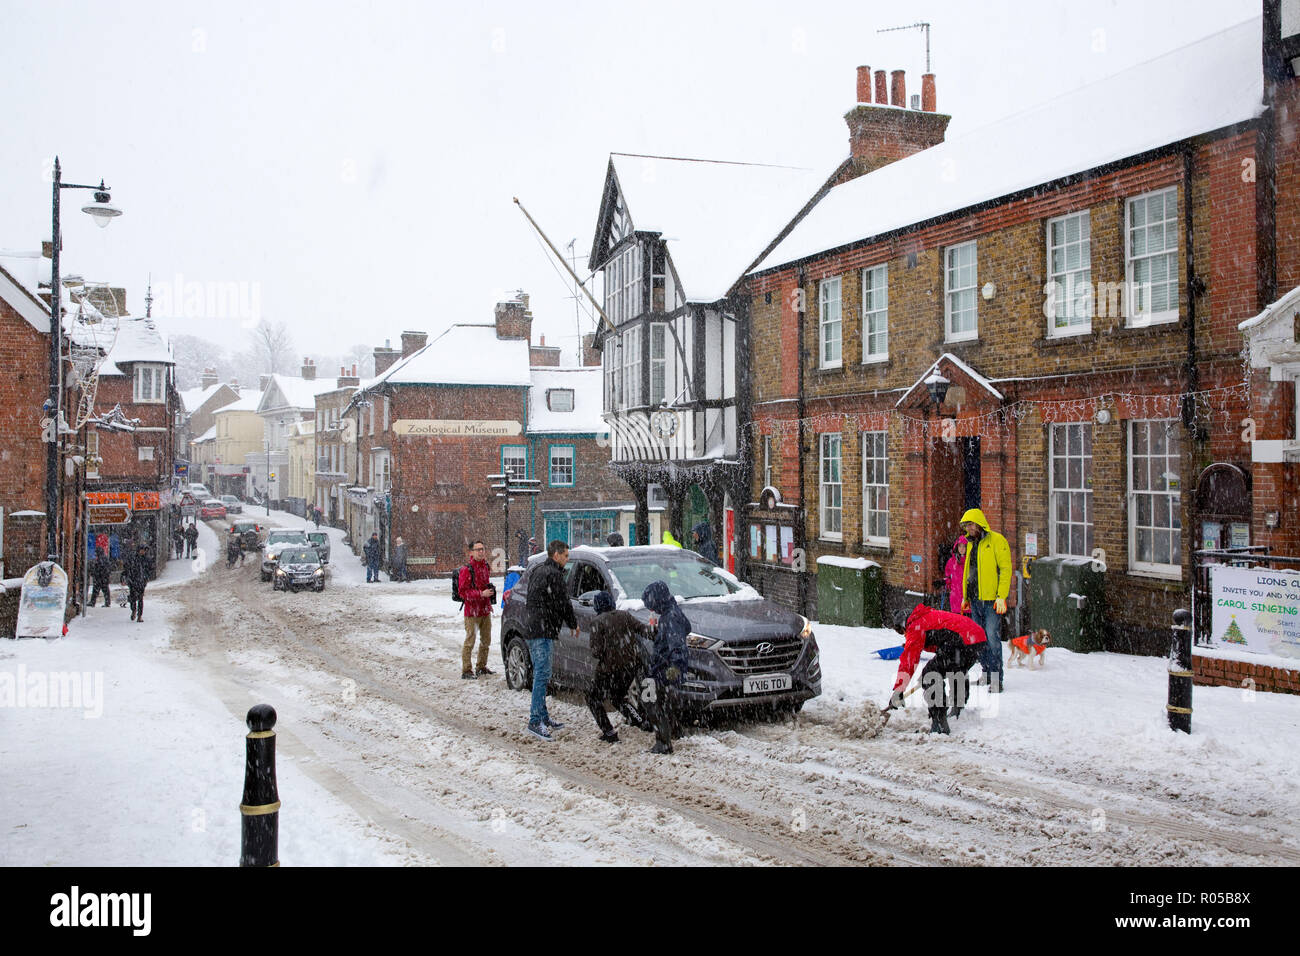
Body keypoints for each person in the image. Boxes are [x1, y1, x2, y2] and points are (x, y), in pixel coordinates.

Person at [885, 604, 988, 735]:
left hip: (961, 641)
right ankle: (958, 708)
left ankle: (939, 722)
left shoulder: (915, 625)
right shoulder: (927, 617)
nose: (904, 634)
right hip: (977, 639)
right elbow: (942, 638)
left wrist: (899, 690)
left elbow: (909, 661)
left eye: (902, 631)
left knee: (929, 675)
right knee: (956, 670)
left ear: (904, 624)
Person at [523, 540, 577, 741]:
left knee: (541, 673)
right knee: (542, 674)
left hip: (536, 627)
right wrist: (573, 624)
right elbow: (563, 602)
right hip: (542, 630)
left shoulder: (539, 570)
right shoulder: (553, 575)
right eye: (565, 556)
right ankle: (535, 721)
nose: (567, 559)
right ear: (556, 555)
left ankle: (543, 717)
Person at [585, 590, 652, 742]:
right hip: (630, 666)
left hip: (608, 669)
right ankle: (640, 721)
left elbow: (596, 652)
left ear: (597, 606)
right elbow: (643, 630)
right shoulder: (625, 616)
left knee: (593, 698)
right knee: (617, 696)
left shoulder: (597, 622)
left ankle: (608, 732)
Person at [959, 508, 1013, 693]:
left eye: (971, 524)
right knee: (978, 639)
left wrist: (1001, 596)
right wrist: (965, 597)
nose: (969, 528)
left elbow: (1005, 569)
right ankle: (986, 672)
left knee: (992, 638)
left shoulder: (997, 541)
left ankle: (997, 678)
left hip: (991, 600)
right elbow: (968, 571)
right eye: (966, 525)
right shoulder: (971, 544)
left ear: (980, 524)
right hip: (975, 600)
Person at [641, 580, 689, 755]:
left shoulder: (670, 617)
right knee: (665, 702)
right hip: (665, 665)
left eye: (651, 605)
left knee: (651, 700)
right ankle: (675, 732)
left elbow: (677, 644)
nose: (652, 610)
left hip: (665, 667)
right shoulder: (672, 612)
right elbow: (687, 628)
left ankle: (663, 742)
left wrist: (675, 666)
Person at [458, 540, 494, 678]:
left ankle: (481, 666)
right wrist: (480, 594)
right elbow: (463, 592)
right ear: (471, 552)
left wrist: (489, 594)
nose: (481, 552)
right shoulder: (466, 569)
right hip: (472, 611)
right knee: (470, 641)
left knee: (486, 640)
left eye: (482, 549)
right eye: (478, 549)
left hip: (485, 609)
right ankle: (466, 670)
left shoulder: (485, 565)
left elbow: (484, 585)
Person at [123, 542, 154, 623]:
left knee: (140, 598)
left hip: (141, 581)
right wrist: (126, 577)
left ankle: (139, 615)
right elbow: (127, 568)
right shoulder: (132, 558)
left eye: (144, 550)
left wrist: (146, 578)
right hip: (132, 581)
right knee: (133, 598)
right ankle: (133, 610)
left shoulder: (147, 559)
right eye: (142, 550)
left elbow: (150, 569)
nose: (143, 552)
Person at [944, 535, 970, 615]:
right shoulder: (951, 562)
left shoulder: (969, 561)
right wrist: (948, 584)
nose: (961, 549)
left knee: (966, 619)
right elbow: (948, 575)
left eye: (964, 546)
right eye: (960, 546)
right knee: (956, 620)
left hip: (966, 596)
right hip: (955, 596)